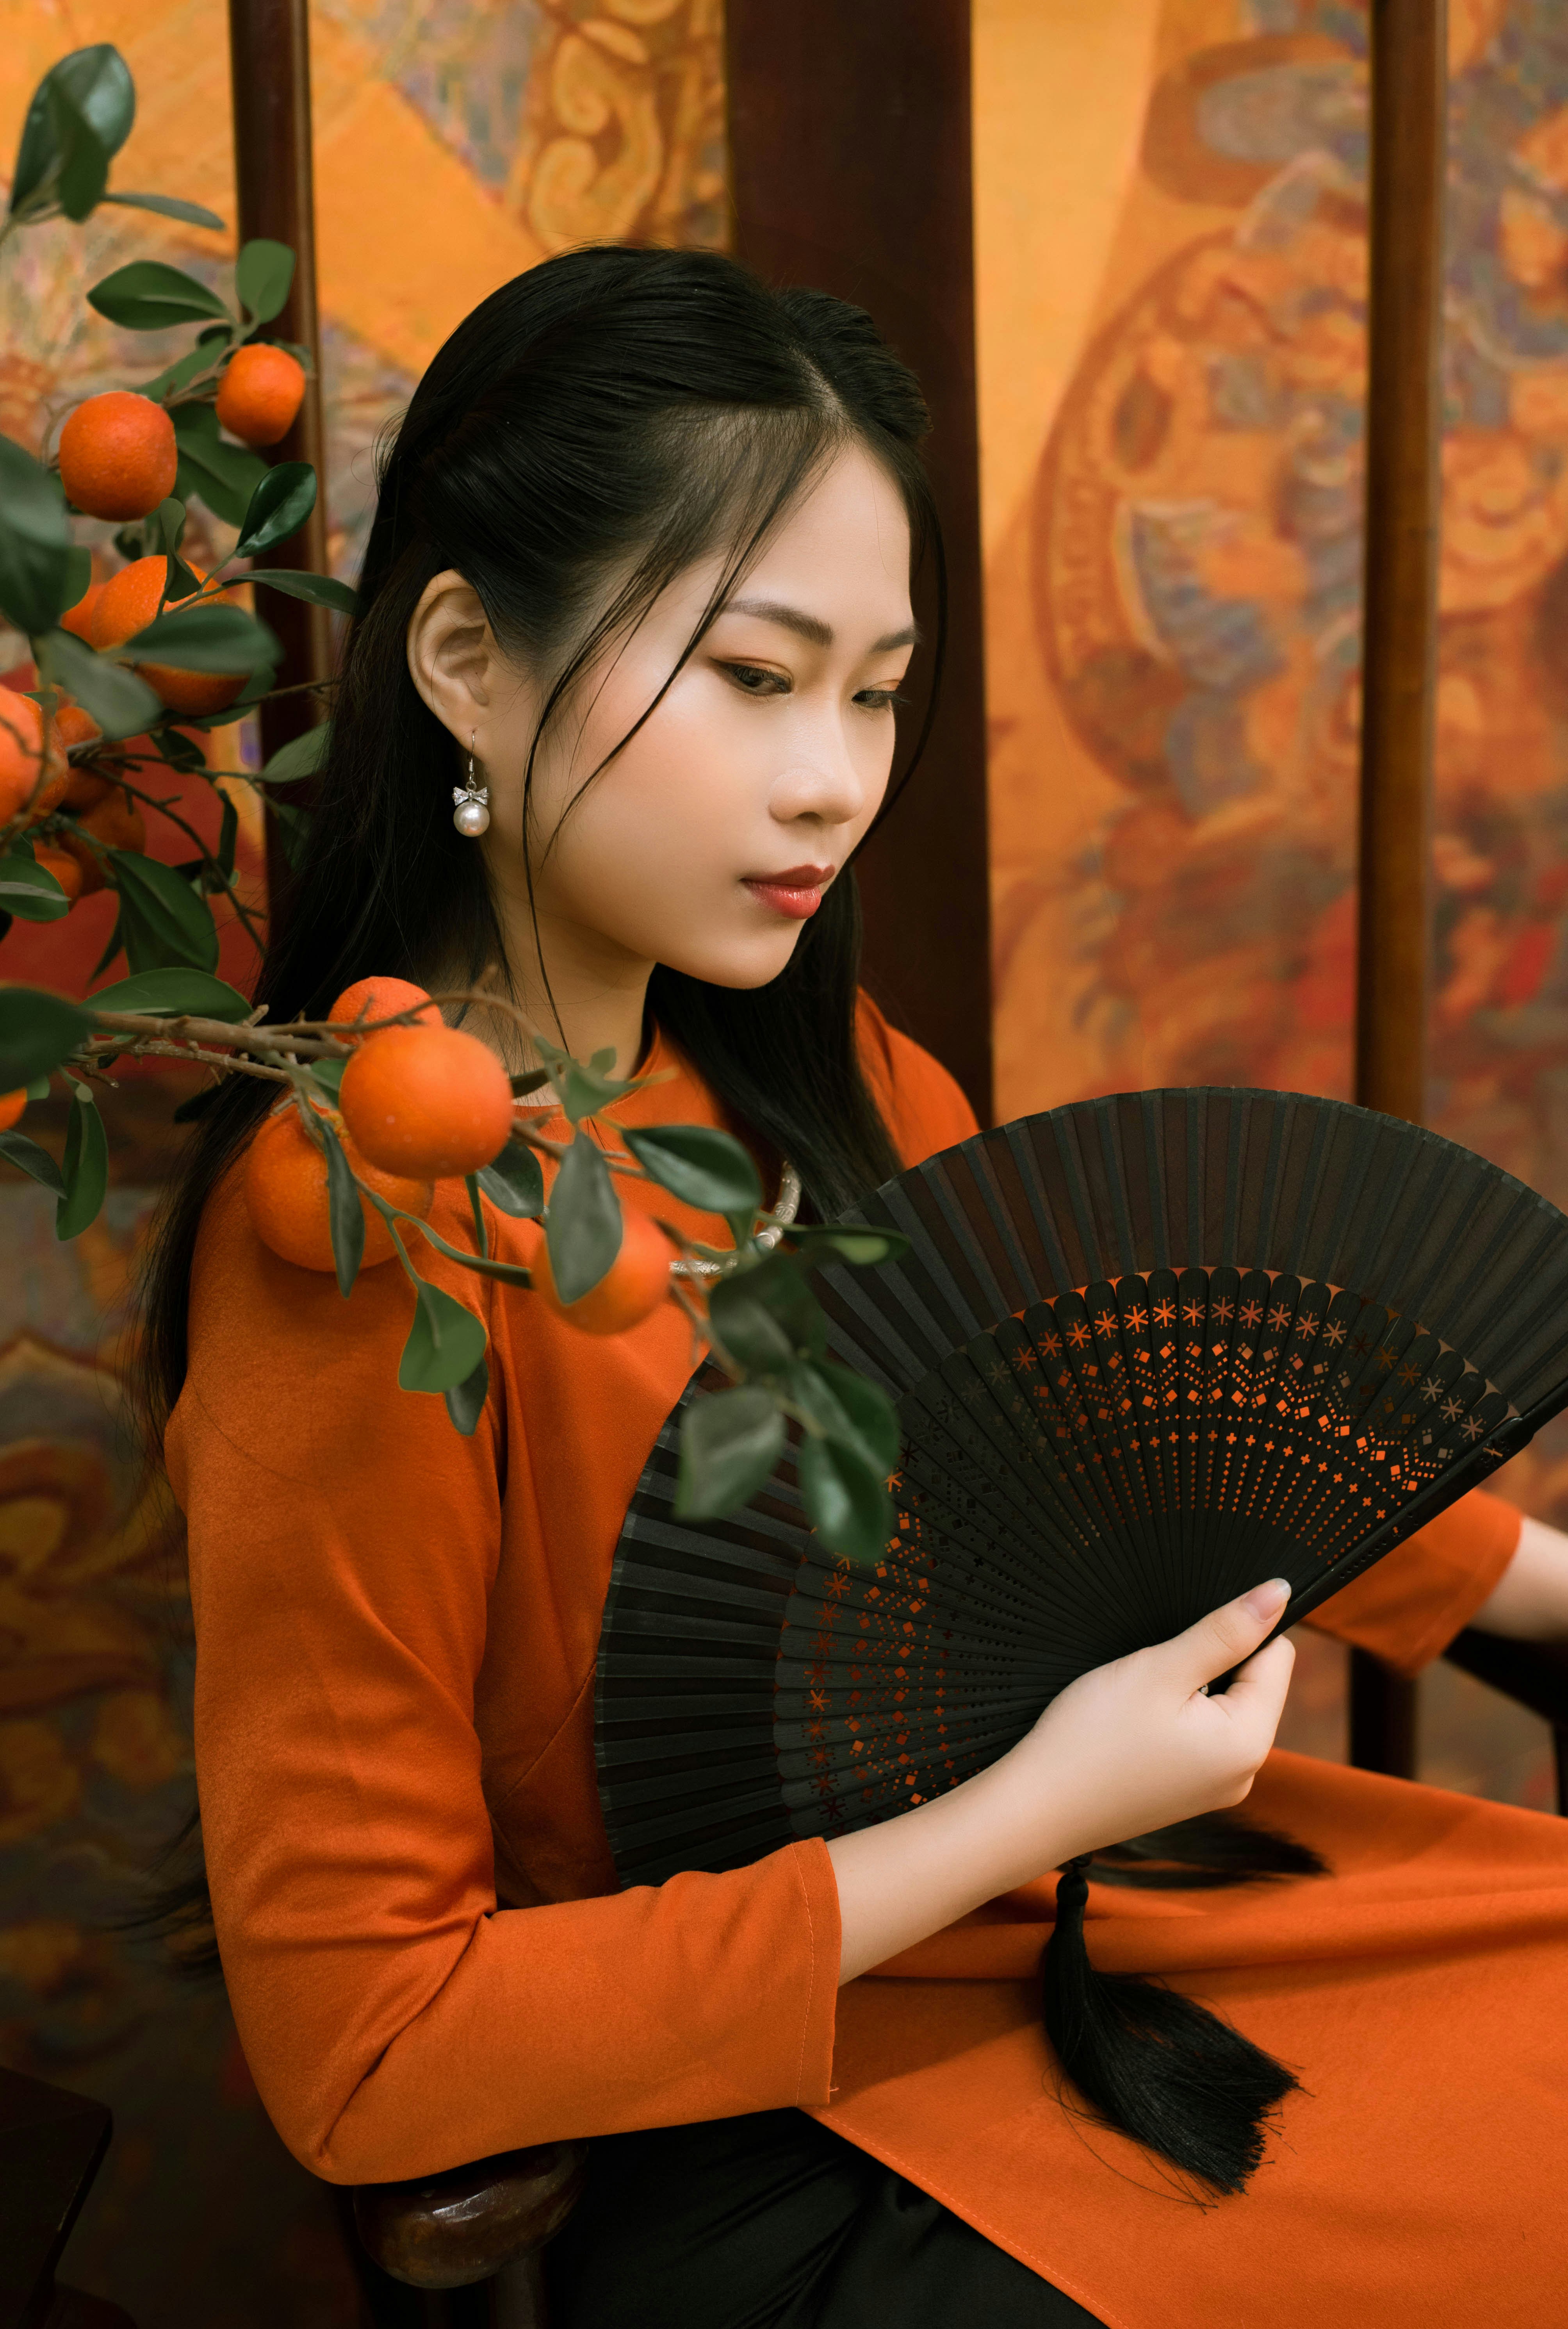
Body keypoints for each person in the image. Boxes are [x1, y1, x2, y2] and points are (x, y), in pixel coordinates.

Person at [144, 247, 1568, 2329]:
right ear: (464, 655)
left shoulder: (811, 1082)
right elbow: (369, 2051)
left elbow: (1119, 1436)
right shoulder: (370, 1223)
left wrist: (1535, 1583)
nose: (833, 775)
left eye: (877, 690)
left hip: (1062, 1937)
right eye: (754, 675)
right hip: (775, 2122)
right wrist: (1028, 1810)